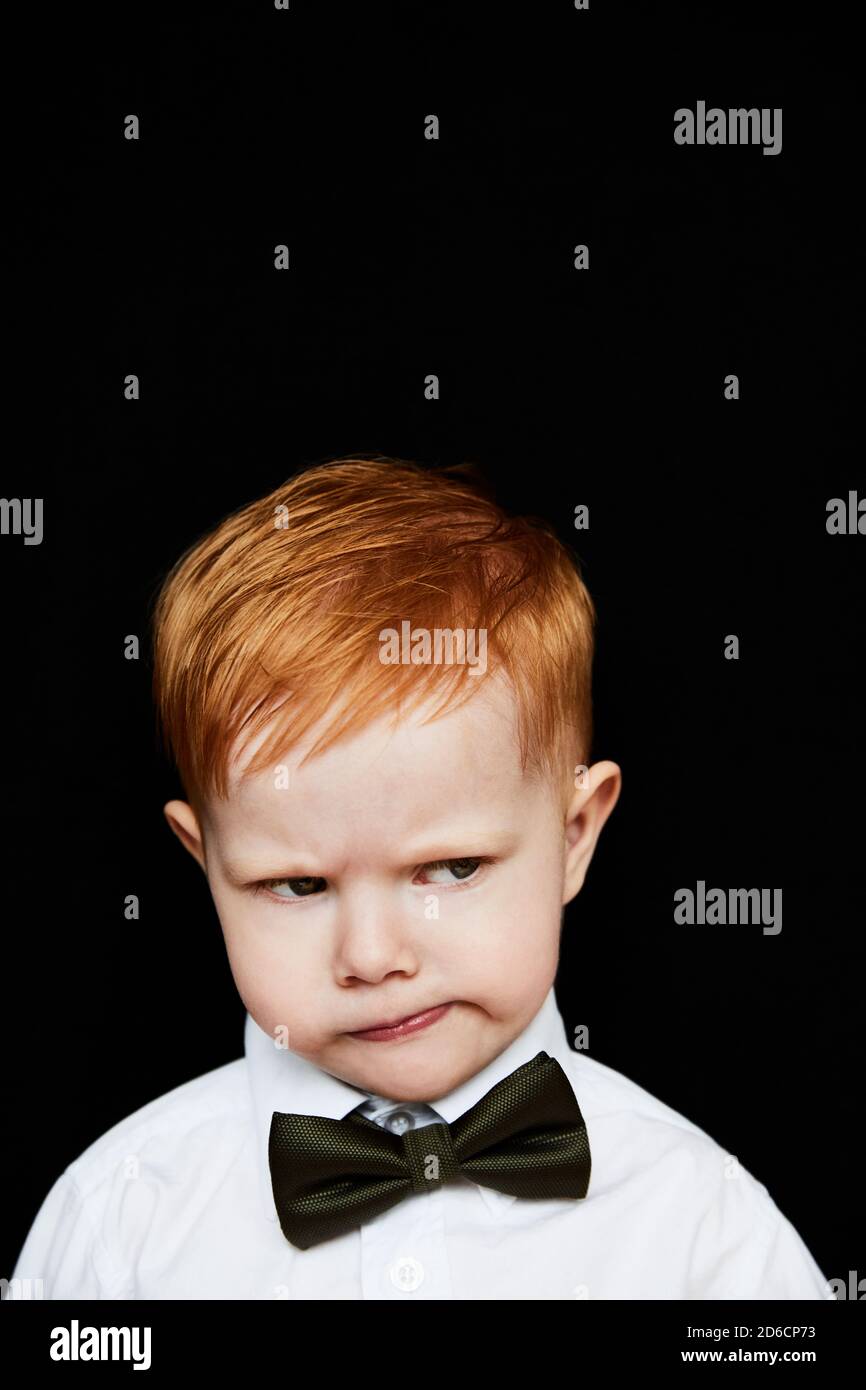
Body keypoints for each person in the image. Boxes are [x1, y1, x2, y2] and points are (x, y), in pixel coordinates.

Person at [7, 456, 834, 1299]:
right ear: (205, 863)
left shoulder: (704, 1230)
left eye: (451, 868)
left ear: (575, 834)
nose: (372, 956)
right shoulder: (117, 1224)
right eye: (298, 885)